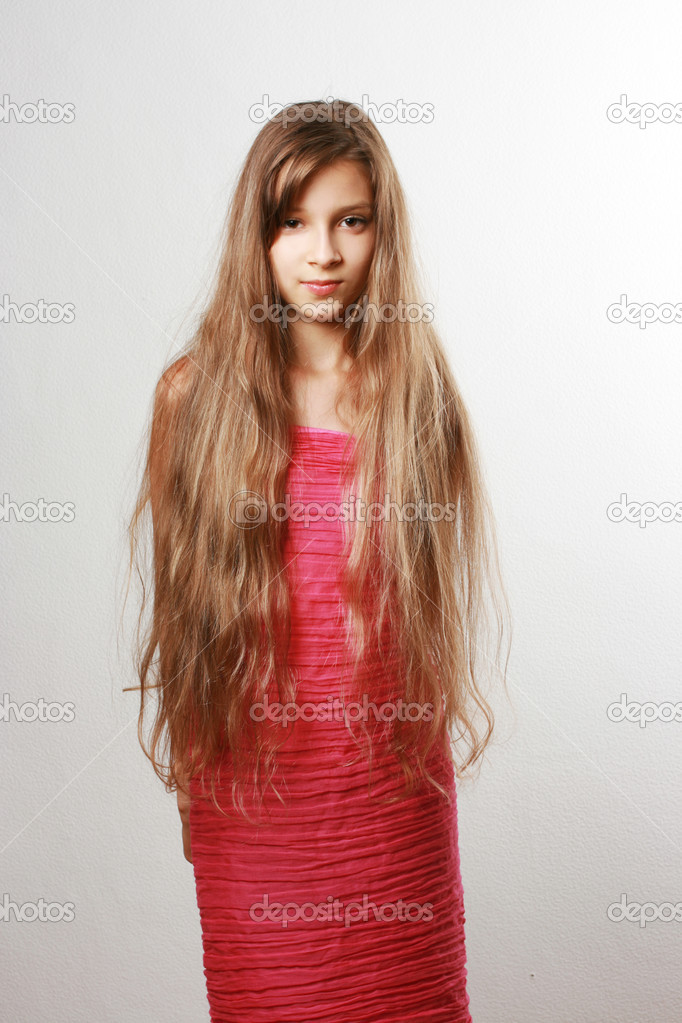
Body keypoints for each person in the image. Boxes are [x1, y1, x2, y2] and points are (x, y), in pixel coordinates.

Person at [126, 98, 511, 1023]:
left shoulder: (417, 394)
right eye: (293, 222)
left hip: (390, 793)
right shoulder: (194, 396)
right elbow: (183, 619)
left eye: (351, 220)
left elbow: (427, 615)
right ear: (255, 236)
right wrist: (188, 788)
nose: (324, 253)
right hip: (254, 794)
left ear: (385, 232)